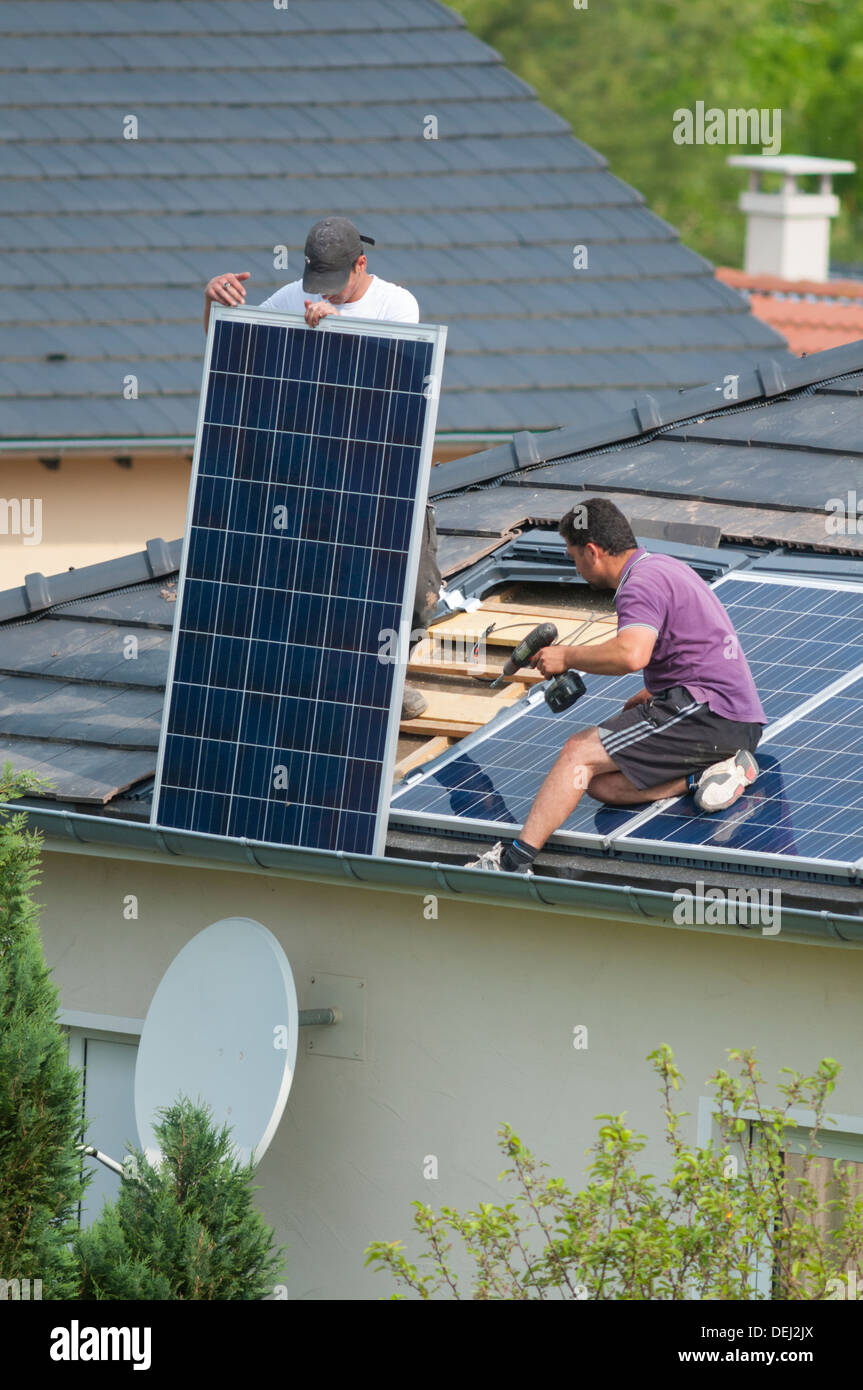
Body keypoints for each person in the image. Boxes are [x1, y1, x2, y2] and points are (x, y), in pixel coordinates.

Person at [203, 217, 438, 720]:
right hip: (314, 477)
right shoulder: (291, 298)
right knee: (318, 584)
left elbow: (390, 388)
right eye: (318, 285)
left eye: (337, 284)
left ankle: (386, 677)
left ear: (362, 264)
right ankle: (318, 683)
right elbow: (234, 356)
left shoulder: (398, 305)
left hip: (381, 472)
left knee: (414, 588)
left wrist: (335, 332)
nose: (323, 295)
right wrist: (214, 307)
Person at [468, 497, 766, 873]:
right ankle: (706, 775)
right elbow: (695, 648)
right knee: (597, 783)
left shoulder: (637, 586)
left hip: (709, 713)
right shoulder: (662, 567)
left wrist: (567, 656)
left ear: (592, 551)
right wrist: (655, 693)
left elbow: (631, 655)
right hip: (724, 718)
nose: (576, 568)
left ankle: (513, 861)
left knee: (577, 753)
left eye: (574, 556)